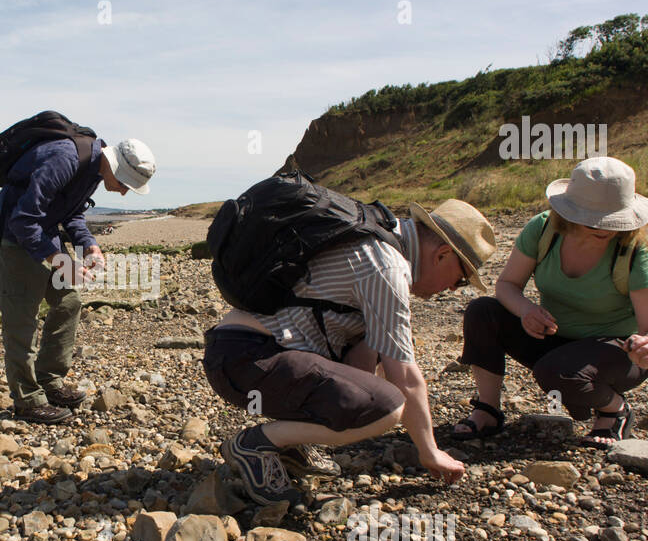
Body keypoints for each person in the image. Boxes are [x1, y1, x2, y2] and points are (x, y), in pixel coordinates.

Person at [204, 199, 498, 506]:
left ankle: (290, 442)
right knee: (387, 406)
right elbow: (406, 379)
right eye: (460, 278)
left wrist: (352, 410)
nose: (453, 288)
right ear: (443, 254)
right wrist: (430, 451)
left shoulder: (375, 238)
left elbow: (370, 363)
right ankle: (255, 445)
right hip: (248, 360)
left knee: (365, 392)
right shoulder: (387, 266)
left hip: (240, 356)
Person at [452, 156, 648, 447]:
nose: (603, 227)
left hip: (615, 353)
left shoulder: (634, 249)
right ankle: (488, 409)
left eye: (610, 218)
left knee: (558, 371)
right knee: (482, 312)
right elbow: (507, 285)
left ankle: (614, 409)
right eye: (592, 217)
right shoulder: (544, 230)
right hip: (554, 340)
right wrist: (527, 310)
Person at [0, 135, 156, 423]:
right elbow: (23, 219)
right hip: (14, 240)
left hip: (43, 236)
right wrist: (61, 260)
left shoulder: (93, 169)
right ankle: (27, 400)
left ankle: (50, 380)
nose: (125, 193)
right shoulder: (64, 159)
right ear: (115, 166)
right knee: (21, 320)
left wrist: (89, 243)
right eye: (126, 184)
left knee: (68, 302)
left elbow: (73, 213)